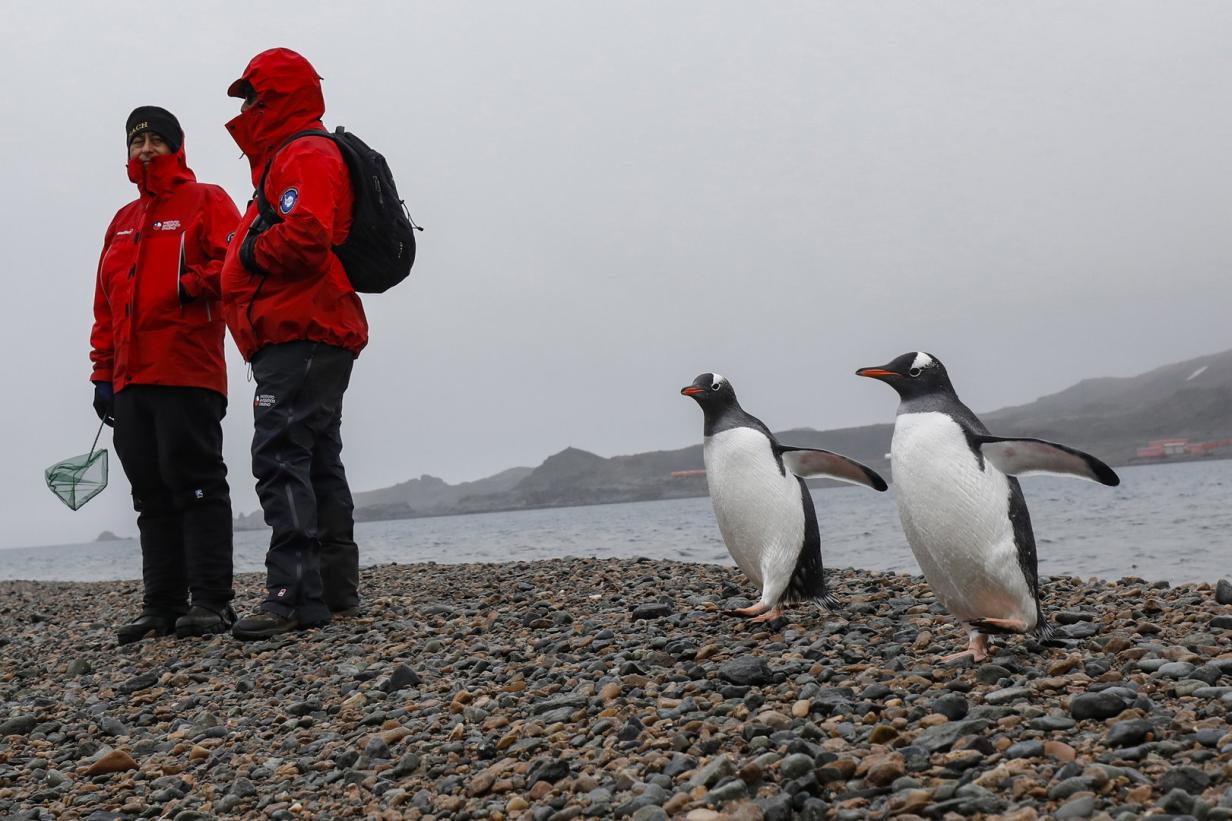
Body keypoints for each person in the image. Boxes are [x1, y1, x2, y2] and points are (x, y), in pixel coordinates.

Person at [219, 48, 366, 640]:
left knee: (280, 455)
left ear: (277, 95)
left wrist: (249, 253)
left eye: (252, 94)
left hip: (300, 329)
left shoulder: (303, 152)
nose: (246, 107)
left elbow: (305, 236)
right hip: (311, 329)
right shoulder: (288, 156)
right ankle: (332, 591)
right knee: (316, 457)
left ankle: (291, 595)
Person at [90, 106, 241, 643]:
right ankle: (161, 605)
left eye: (157, 139)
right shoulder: (122, 222)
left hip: (187, 369)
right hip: (131, 381)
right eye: (137, 142)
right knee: (149, 494)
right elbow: (105, 307)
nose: (146, 149)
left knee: (197, 483)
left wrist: (183, 283)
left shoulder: (207, 200)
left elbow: (235, 262)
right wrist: (101, 375)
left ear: (177, 147)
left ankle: (211, 602)